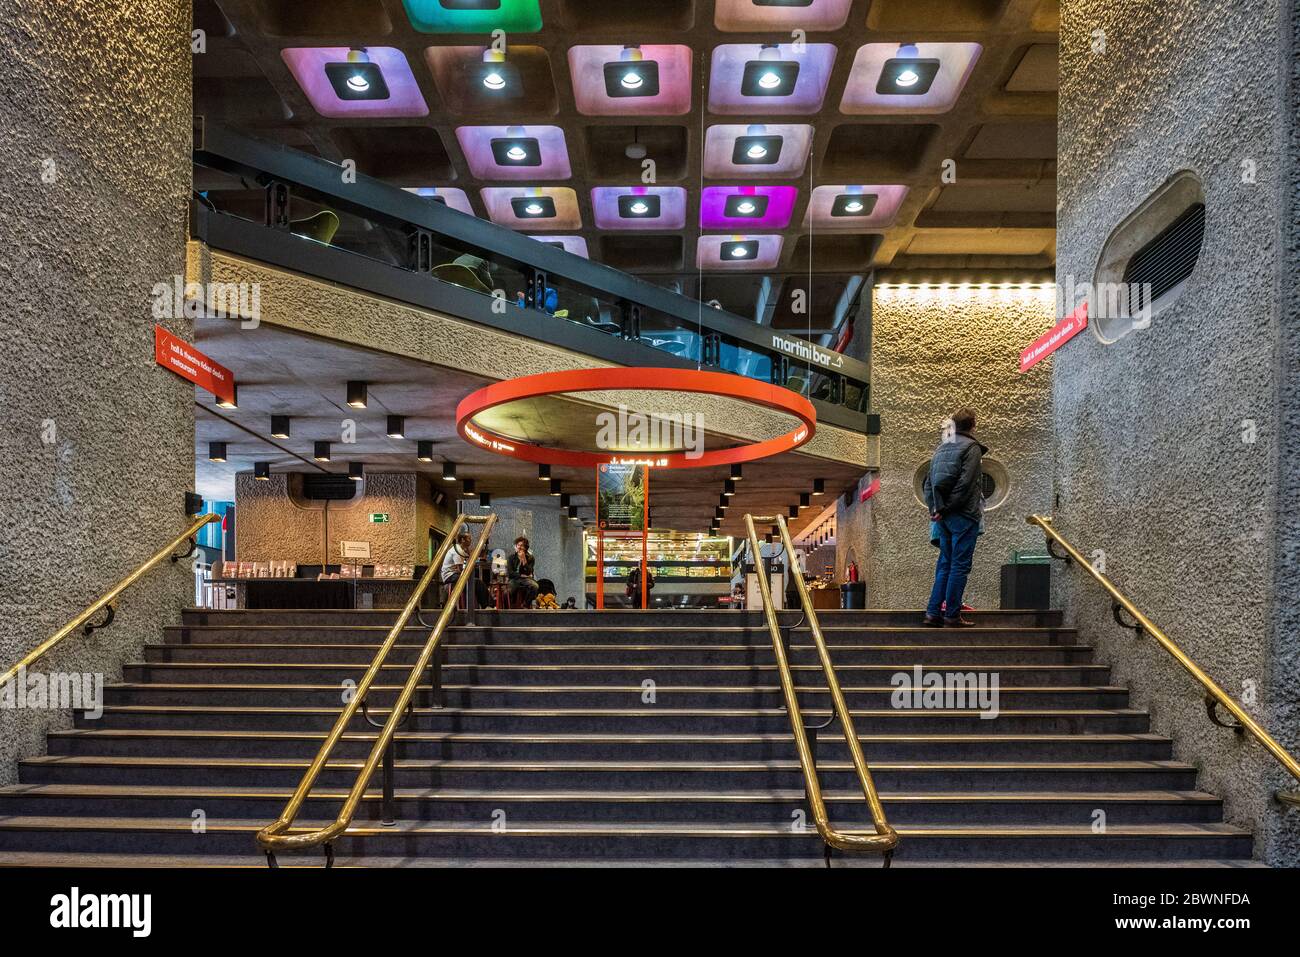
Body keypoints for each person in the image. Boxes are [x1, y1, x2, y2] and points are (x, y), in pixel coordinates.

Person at [922, 409, 987, 628]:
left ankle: (932, 613)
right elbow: (966, 484)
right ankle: (951, 615)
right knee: (959, 566)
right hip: (963, 514)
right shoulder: (972, 448)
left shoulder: (940, 449)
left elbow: (928, 483)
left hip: (942, 518)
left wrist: (936, 509)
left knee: (945, 564)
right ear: (973, 425)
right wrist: (949, 507)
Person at [440, 530, 489, 608]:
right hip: (450, 576)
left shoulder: (461, 549)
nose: (470, 541)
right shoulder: (457, 551)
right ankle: (486, 605)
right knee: (477, 583)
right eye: (469, 539)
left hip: (454, 574)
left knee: (476, 580)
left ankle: (483, 605)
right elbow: (460, 569)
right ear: (462, 540)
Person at [506, 536, 539, 607]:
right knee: (510, 590)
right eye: (518, 545)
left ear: (526, 548)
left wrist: (524, 559)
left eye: (521, 545)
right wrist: (520, 575)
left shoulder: (530, 558)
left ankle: (525, 605)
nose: (519, 547)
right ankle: (512, 606)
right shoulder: (511, 557)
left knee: (535, 586)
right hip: (514, 579)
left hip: (525, 579)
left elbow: (529, 572)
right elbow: (510, 573)